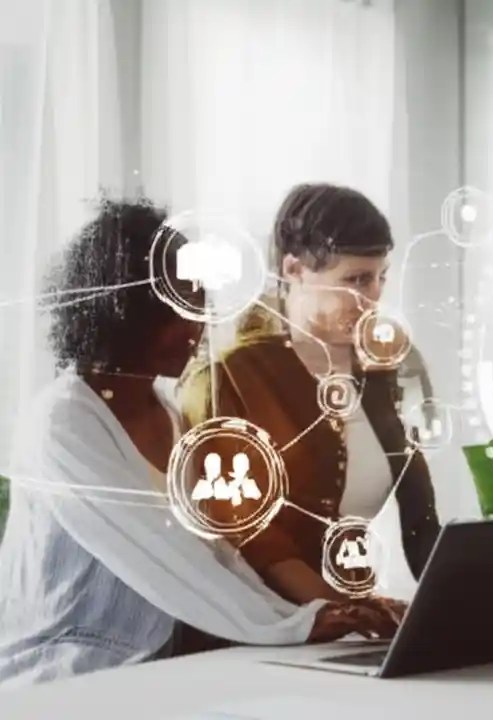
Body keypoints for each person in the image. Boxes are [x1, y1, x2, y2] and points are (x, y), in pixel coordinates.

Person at [0, 199, 395, 687]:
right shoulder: (62, 422)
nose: (197, 328)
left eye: (200, 304)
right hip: (71, 666)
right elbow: (155, 546)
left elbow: (216, 551)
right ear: (124, 315)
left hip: (168, 661)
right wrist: (294, 624)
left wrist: (324, 613)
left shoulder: (167, 413)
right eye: (179, 310)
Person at [179, 183, 440, 606]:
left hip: (341, 624)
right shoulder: (227, 377)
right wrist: (348, 613)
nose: (372, 298)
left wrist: (459, 605)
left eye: (379, 278)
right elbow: (250, 537)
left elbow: (420, 517)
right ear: (294, 269)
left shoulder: (384, 368)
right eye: (356, 280)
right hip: (251, 626)